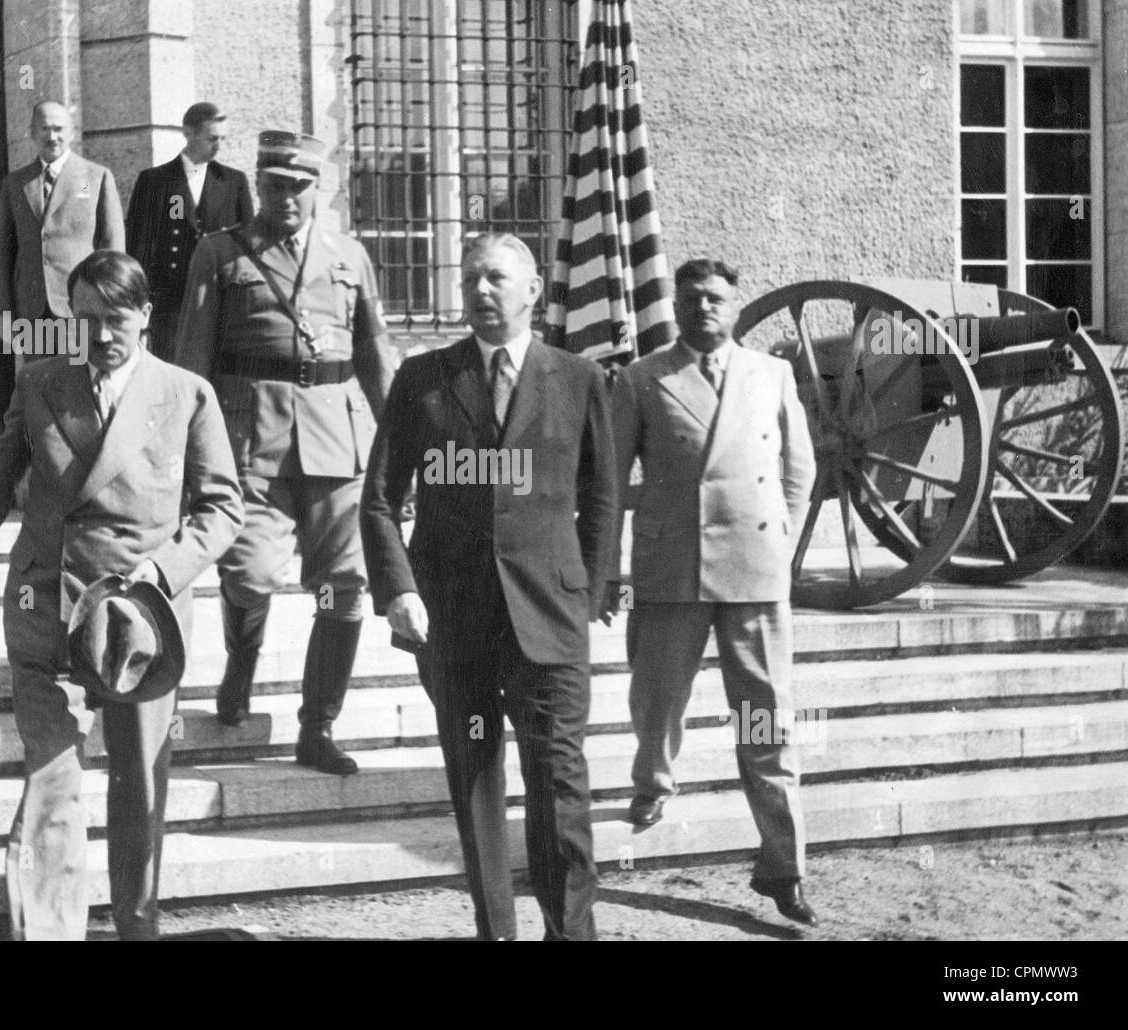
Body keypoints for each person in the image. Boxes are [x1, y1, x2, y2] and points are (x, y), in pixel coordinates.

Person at [0, 250, 243, 940]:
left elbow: (222, 509)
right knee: (52, 784)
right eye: (86, 320)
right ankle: (50, 932)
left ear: (146, 316)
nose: (101, 336)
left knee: (139, 787)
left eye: (115, 319)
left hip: (144, 623)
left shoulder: (187, 394)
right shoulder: (42, 383)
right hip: (49, 610)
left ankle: (138, 924)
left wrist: (162, 573)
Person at [361, 233, 618, 941]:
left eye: (496, 278)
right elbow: (379, 496)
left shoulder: (577, 378)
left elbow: (602, 494)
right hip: (455, 619)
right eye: (470, 277)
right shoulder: (424, 379)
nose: (480, 291)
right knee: (475, 783)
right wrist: (399, 590)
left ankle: (569, 933)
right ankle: (495, 931)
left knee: (560, 786)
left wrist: (589, 590)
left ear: (533, 289)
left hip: (549, 618)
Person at [174, 129, 393, 775]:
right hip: (249, 443)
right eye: (275, 185)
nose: (287, 197)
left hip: (337, 441)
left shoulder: (349, 256)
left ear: (317, 188)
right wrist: (187, 460)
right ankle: (241, 665)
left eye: (300, 186)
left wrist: (401, 448)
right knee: (249, 575)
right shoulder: (218, 254)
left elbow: (376, 357)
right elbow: (192, 362)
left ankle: (316, 726)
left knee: (343, 590)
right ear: (259, 185)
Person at [608, 257, 819, 926]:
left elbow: (799, 470)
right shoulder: (643, 379)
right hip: (671, 567)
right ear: (676, 302)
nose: (705, 308)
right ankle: (653, 782)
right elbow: (611, 482)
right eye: (694, 297)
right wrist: (612, 567)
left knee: (766, 719)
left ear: (735, 306)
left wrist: (777, 547)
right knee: (656, 698)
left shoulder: (772, 374)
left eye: (718, 299)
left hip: (753, 571)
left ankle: (784, 867)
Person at [126, 102, 255, 359]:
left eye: (222, 139)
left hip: (220, 300)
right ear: (188, 133)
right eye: (212, 138)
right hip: (171, 304)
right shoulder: (154, 182)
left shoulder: (233, 181)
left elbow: (247, 244)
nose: (219, 145)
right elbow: (138, 247)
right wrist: (140, 305)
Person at [0, 101, 124, 329]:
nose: (52, 136)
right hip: (31, 311)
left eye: (59, 129)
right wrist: (2, 311)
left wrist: (110, 303)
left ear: (71, 132)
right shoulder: (15, 184)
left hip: (82, 307)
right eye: (44, 129)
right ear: (31, 132)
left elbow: (112, 245)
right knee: (36, 367)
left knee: (80, 366)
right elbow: (4, 250)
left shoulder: (95, 177)